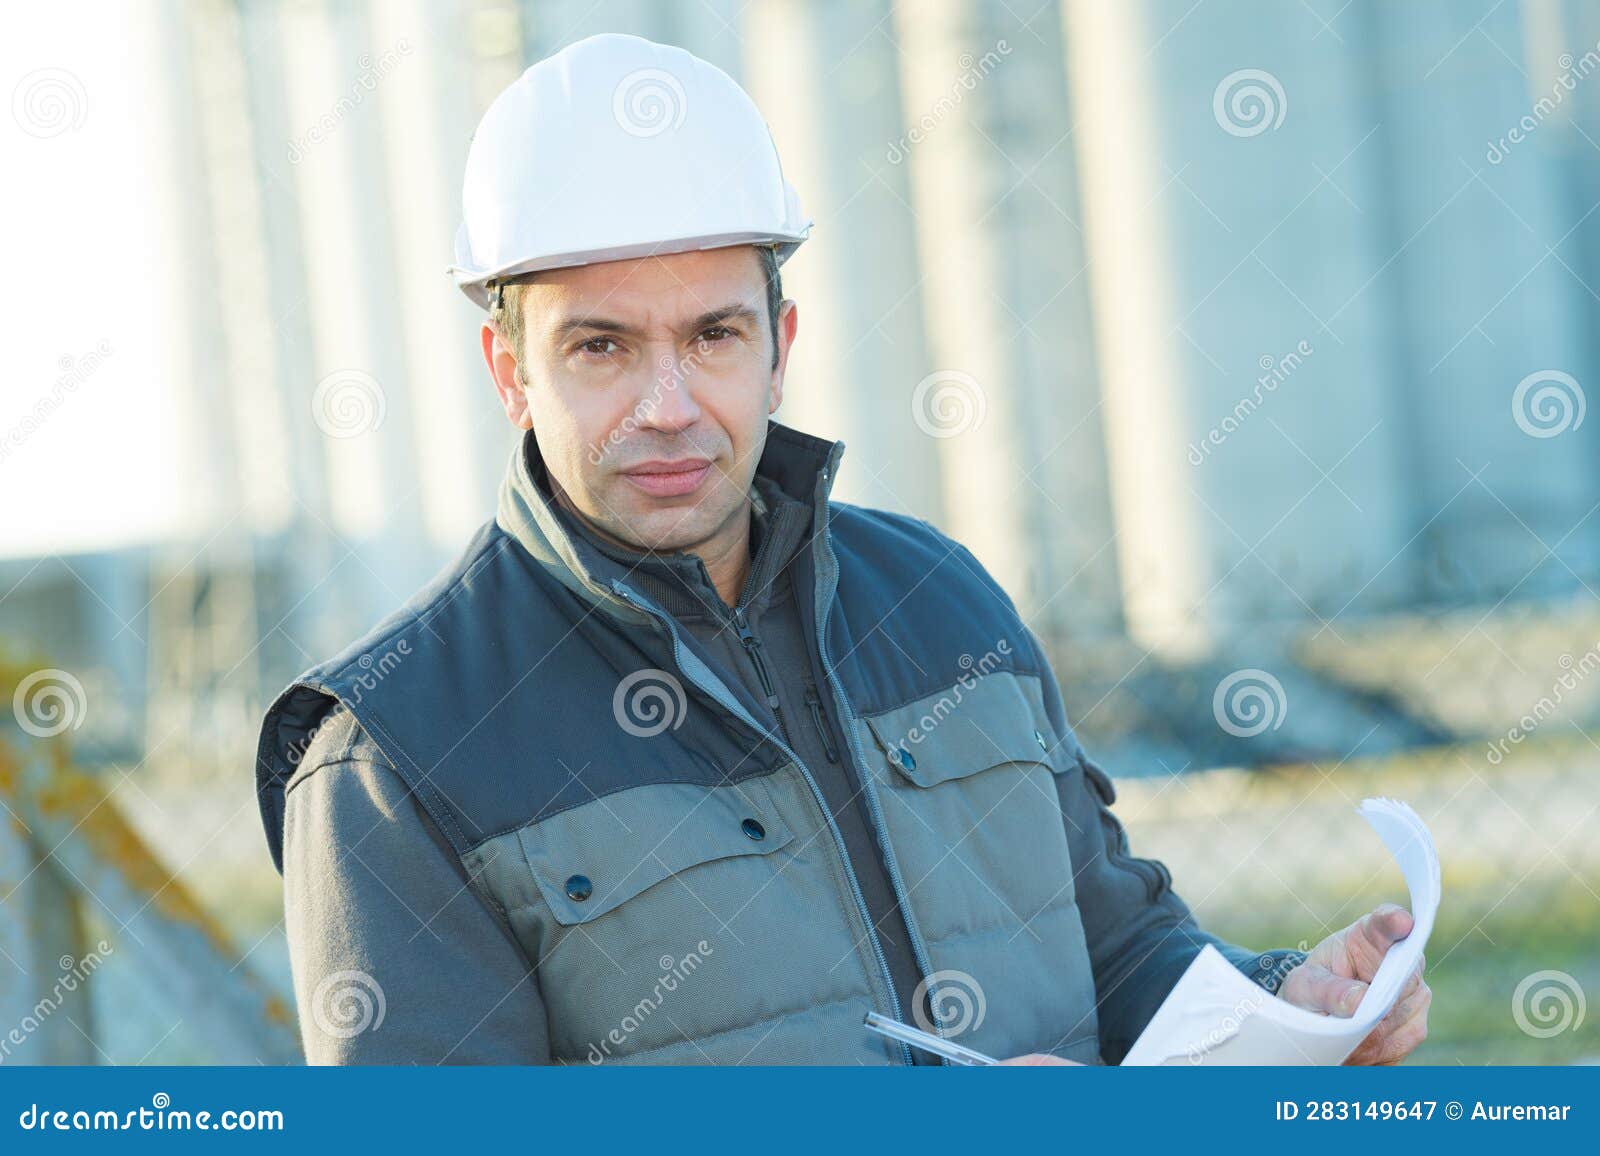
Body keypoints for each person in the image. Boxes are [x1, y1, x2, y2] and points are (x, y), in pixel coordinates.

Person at [254, 32, 1429, 1065]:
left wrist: (1283, 1002)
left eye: (713, 333)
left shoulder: (938, 602)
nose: (667, 403)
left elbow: (1114, 945)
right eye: (601, 348)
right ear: (509, 371)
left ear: (780, 345)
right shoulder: (392, 751)